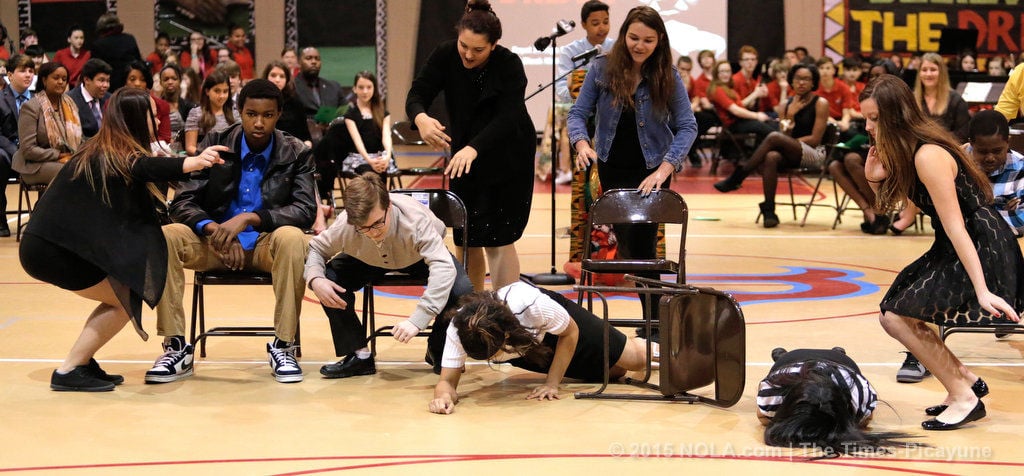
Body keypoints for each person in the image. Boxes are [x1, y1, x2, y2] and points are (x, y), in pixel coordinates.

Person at [18, 88, 224, 391]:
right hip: (52, 249)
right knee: (125, 299)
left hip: (51, 245)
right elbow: (142, 166)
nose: (158, 120)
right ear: (136, 118)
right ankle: (70, 369)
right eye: (152, 115)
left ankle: (81, 363)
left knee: (121, 295)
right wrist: (193, 162)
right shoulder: (112, 155)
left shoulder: (103, 148)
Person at [864, 75, 1023, 430]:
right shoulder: (909, 150)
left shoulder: (928, 155)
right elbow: (889, 210)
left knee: (896, 316)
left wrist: (982, 289)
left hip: (982, 244)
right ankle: (963, 381)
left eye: (874, 119)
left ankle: (965, 396)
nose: (868, 127)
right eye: (866, 119)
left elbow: (957, 226)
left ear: (894, 116)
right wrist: (874, 179)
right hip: (955, 244)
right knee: (894, 313)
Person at [145, 79, 316, 385]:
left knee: (294, 238)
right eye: (251, 114)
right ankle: (176, 346)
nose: (259, 123)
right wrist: (214, 230)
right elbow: (182, 202)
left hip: (265, 245)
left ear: (278, 115)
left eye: (267, 115)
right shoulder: (216, 142)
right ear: (239, 111)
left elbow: (305, 210)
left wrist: (250, 219)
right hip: (214, 244)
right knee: (168, 235)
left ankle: (284, 345)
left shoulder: (296, 152)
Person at [567, 5, 696, 329]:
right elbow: (577, 114)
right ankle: (656, 321)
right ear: (624, 34)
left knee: (644, 248)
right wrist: (582, 144)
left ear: (659, 41)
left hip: (653, 171)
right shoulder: (601, 68)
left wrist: (665, 169)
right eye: (634, 38)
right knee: (629, 249)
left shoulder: (667, 75)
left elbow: (687, 126)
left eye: (648, 40)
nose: (639, 45)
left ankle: (656, 323)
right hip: (613, 169)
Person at [407, 0, 536, 291]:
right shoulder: (445, 54)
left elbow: (509, 117)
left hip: (509, 155)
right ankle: (472, 309)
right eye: (463, 45)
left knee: (499, 239)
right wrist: (421, 118)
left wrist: (473, 147)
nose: (468, 54)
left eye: (478, 50)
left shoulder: (509, 64)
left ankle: (505, 310)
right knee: (467, 238)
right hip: (465, 157)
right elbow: (417, 94)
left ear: (494, 45)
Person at [305, 173, 473, 378]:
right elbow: (316, 249)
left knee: (461, 291)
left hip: (417, 257)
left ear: (389, 207)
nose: (373, 232)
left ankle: (439, 351)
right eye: (363, 228)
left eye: (378, 223)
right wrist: (316, 279)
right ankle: (359, 356)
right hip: (368, 258)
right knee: (328, 279)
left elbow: (443, 268)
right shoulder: (346, 224)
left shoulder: (416, 221)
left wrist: (418, 319)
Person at [428, 282, 655, 414]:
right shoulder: (460, 328)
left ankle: (662, 346)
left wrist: (551, 384)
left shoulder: (531, 305)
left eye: (494, 354)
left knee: (634, 360)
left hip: (563, 327)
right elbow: (447, 381)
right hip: (530, 346)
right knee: (615, 372)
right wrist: (443, 398)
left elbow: (570, 332)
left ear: (506, 336)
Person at [714, 63, 829, 228]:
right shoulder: (786, 104)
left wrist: (789, 142)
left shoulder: (820, 103)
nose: (801, 83)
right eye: (798, 78)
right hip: (793, 154)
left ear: (813, 83)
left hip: (814, 154)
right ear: (791, 81)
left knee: (774, 137)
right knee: (771, 156)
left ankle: (739, 176)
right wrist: (791, 116)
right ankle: (769, 210)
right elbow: (785, 135)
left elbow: (815, 139)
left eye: (806, 79)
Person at [758, 347, 915, 456]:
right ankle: (833, 352)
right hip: (792, 361)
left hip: (838, 363)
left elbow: (762, 417)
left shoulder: (859, 392)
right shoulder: (773, 390)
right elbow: (867, 418)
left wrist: (796, 426)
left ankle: (834, 353)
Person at [13, 62, 83, 186]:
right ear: (44, 80)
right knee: (71, 172)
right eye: (56, 78)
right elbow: (28, 150)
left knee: (91, 168)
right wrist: (59, 155)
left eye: (64, 79)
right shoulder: (31, 107)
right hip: (34, 165)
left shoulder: (70, 105)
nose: (61, 82)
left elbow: (79, 140)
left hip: (67, 160)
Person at [967, 110, 1024, 237]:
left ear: (1008, 142)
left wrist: (974, 217)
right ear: (971, 144)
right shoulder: (957, 165)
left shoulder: (1020, 167)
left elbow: (1022, 221)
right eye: (982, 152)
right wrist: (1002, 213)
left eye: (997, 151)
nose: (990, 158)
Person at [0, 54, 35, 236]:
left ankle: (39, 220)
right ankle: (0, 218)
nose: (28, 75)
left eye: (31, 71)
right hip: (8, 155)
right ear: (10, 75)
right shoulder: (0, 99)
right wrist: (16, 151)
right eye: (22, 71)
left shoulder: (39, 100)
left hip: (35, 154)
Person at [705, 59, 775, 146]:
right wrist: (757, 116)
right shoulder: (718, 89)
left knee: (771, 125)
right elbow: (736, 110)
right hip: (734, 124)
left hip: (740, 120)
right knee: (767, 130)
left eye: (728, 71)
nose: (725, 74)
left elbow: (740, 105)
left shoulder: (728, 88)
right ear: (716, 74)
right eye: (722, 71)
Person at [341, 71, 395, 180]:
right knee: (370, 173)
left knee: (382, 169)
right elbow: (358, 142)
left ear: (374, 88)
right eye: (361, 87)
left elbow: (386, 137)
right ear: (354, 89)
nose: (365, 91)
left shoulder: (383, 112)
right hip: (360, 158)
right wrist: (370, 161)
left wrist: (388, 156)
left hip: (380, 157)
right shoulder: (350, 115)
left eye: (369, 87)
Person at [183, 70, 235, 155]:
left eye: (225, 91)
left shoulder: (234, 113)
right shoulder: (196, 114)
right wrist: (207, 156)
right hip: (204, 159)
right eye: (217, 91)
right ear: (207, 91)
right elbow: (190, 147)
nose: (222, 96)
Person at [90, 13, 142, 91]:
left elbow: (94, 69)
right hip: (130, 84)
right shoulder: (130, 39)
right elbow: (138, 62)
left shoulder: (98, 45)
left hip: (109, 87)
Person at [125, 61, 172, 145]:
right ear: (124, 82)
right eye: (132, 79)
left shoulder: (161, 105)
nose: (137, 84)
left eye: (142, 80)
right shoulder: (113, 104)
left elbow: (165, 137)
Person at [293, 46, 343, 120]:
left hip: (332, 126)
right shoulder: (292, 87)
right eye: (308, 58)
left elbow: (345, 112)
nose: (314, 62)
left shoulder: (334, 87)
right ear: (299, 63)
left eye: (317, 59)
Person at [67, 58, 112, 139]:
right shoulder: (70, 100)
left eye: (108, 81)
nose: (106, 85)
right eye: (101, 80)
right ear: (87, 80)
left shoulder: (110, 98)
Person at [157, 63, 196, 151]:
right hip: (161, 150)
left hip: (184, 150)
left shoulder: (189, 106)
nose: (170, 82)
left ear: (180, 80)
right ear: (160, 82)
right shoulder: (155, 107)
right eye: (166, 79)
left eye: (174, 78)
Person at [733, 45, 768, 112]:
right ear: (740, 62)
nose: (750, 62)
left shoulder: (753, 81)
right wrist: (755, 94)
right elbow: (736, 107)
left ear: (756, 62)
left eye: (753, 59)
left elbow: (752, 105)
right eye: (746, 59)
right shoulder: (734, 80)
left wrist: (762, 95)